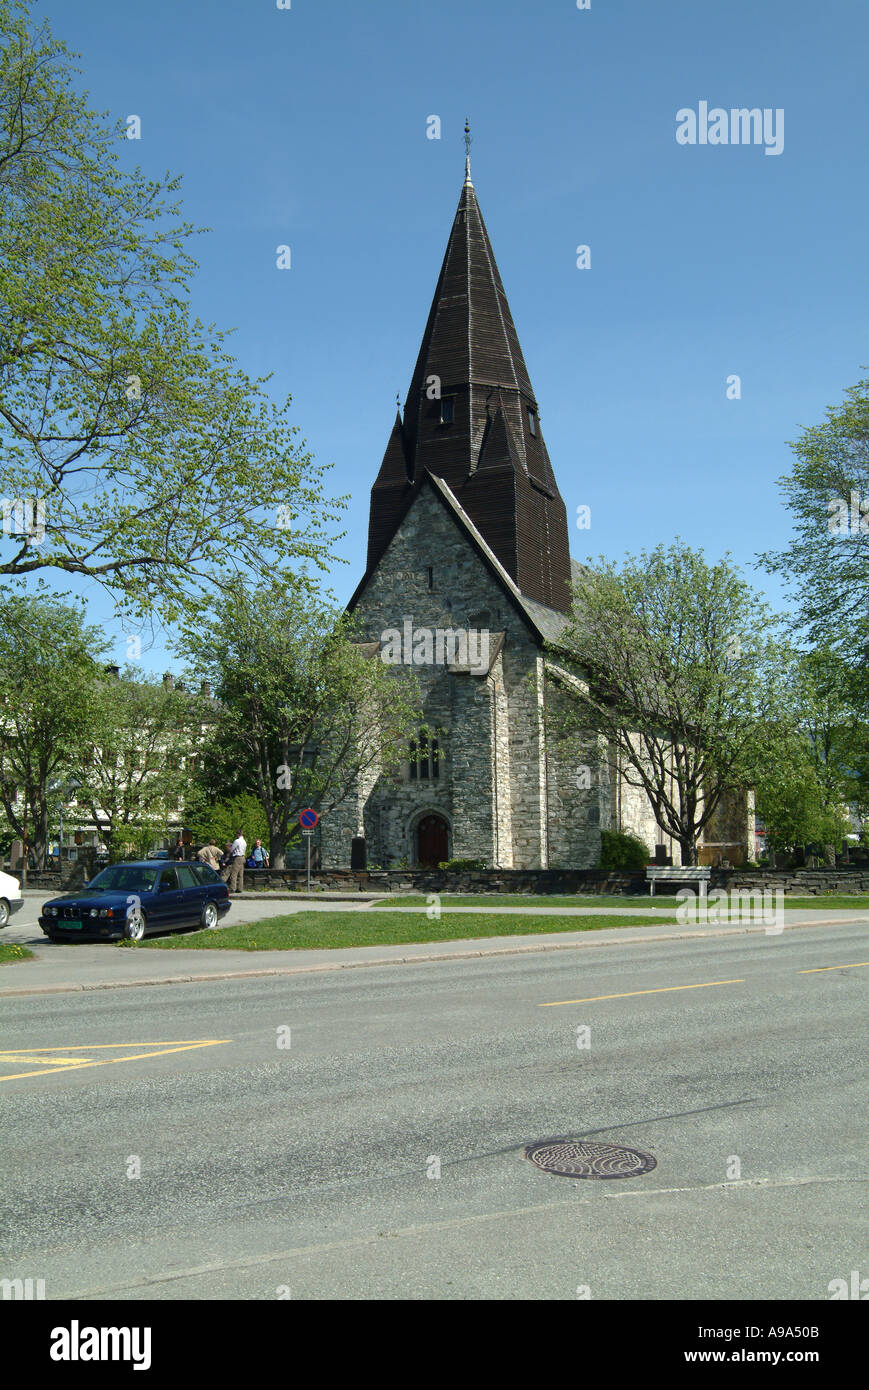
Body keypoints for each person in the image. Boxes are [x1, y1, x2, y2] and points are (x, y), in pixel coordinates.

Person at [222, 830, 247, 895]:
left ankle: (233, 888)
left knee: (234, 873)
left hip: (237, 857)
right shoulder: (244, 841)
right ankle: (240, 888)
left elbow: (232, 849)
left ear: (238, 834)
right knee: (241, 874)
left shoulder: (237, 841)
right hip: (243, 857)